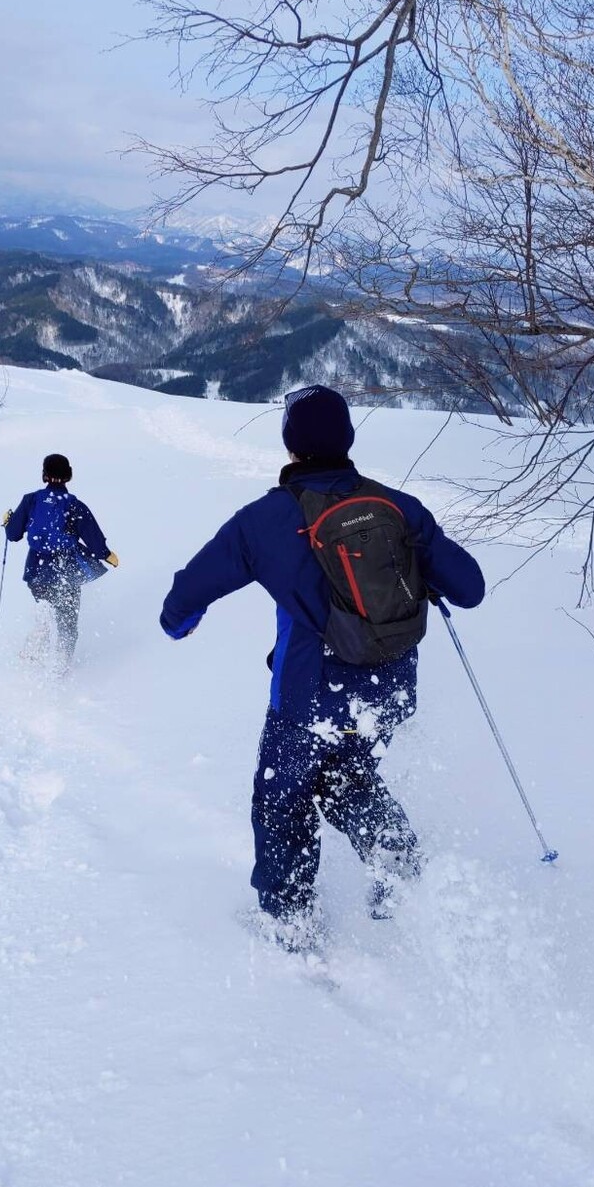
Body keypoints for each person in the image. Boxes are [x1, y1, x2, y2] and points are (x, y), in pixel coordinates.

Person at [159, 385, 484, 946]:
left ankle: (291, 923)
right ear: (348, 440)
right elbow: (471, 588)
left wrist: (178, 624)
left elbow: (189, 592)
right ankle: (402, 879)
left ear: (290, 446)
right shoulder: (398, 507)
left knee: (283, 800)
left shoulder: (264, 520)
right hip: (387, 691)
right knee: (352, 779)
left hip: (306, 698)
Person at [3, 453, 118, 670]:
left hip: (37, 568)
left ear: (44, 475)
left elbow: (13, 534)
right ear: (68, 476)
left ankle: (34, 653)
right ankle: (61, 667)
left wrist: (8, 522)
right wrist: (106, 554)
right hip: (67, 570)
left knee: (44, 608)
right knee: (67, 620)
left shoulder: (31, 500)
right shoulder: (74, 505)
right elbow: (93, 537)